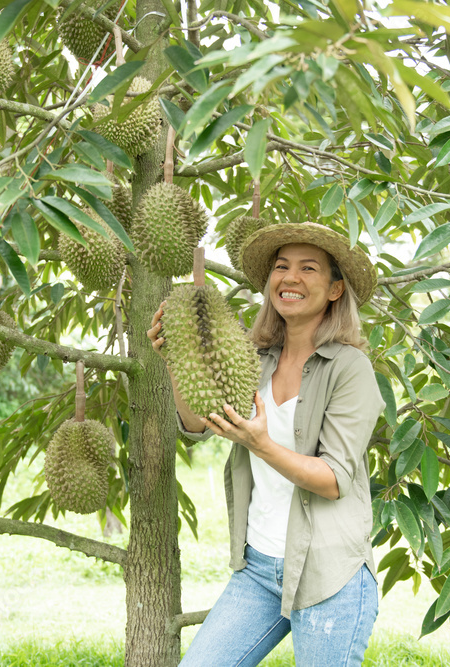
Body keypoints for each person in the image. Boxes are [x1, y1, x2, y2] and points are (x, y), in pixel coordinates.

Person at [146, 222, 385, 666]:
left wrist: (261, 445)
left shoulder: (349, 368)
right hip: (258, 568)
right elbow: (200, 423)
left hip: (329, 574)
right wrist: (178, 356)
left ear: (335, 290)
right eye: (282, 267)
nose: (290, 278)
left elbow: (333, 479)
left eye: (308, 268)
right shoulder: (257, 358)